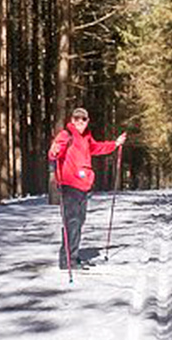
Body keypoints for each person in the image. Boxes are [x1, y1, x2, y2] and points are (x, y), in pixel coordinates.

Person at [48, 107, 126, 271]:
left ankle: (72, 256)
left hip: (83, 186)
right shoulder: (66, 135)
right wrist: (53, 153)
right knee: (72, 221)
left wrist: (115, 144)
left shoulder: (86, 138)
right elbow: (55, 152)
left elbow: (97, 148)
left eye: (83, 119)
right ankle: (67, 260)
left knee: (79, 221)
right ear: (72, 120)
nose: (79, 122)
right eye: (76, 119)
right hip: (69, 184)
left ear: (87, 121)